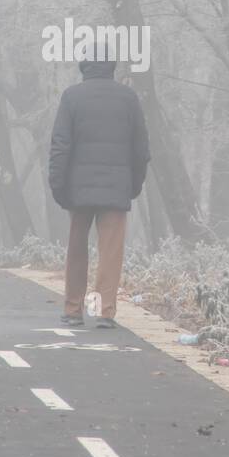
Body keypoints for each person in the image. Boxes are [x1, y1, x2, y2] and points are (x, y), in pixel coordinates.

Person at [48, 46, 150, 329]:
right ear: (111, 67)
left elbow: (60, 146)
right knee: (110, 251)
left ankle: (73, 309)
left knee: (77, 249)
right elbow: (141, 148)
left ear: (84, 67)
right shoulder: (128, 98)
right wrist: (134, 184)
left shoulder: (71, 97)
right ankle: (104, 311)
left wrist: (58, 186)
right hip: (116, 188)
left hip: (77, 190)